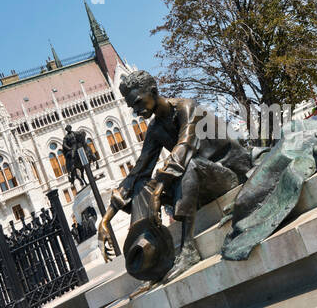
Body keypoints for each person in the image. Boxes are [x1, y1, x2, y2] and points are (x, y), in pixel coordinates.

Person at [98, 70, 251, 283]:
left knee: (190, 165)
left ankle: (188, 248)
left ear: (153, 91)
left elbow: (185, 147)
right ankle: (152, 249)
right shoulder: (155, 129)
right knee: (143, 186)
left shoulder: (187, 108)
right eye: (132, 106)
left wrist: (159, 188)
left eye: (138, 102)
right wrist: (106, 219)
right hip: (200, 185)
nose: (136, 110)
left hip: (229, 174)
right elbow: (138, 171)